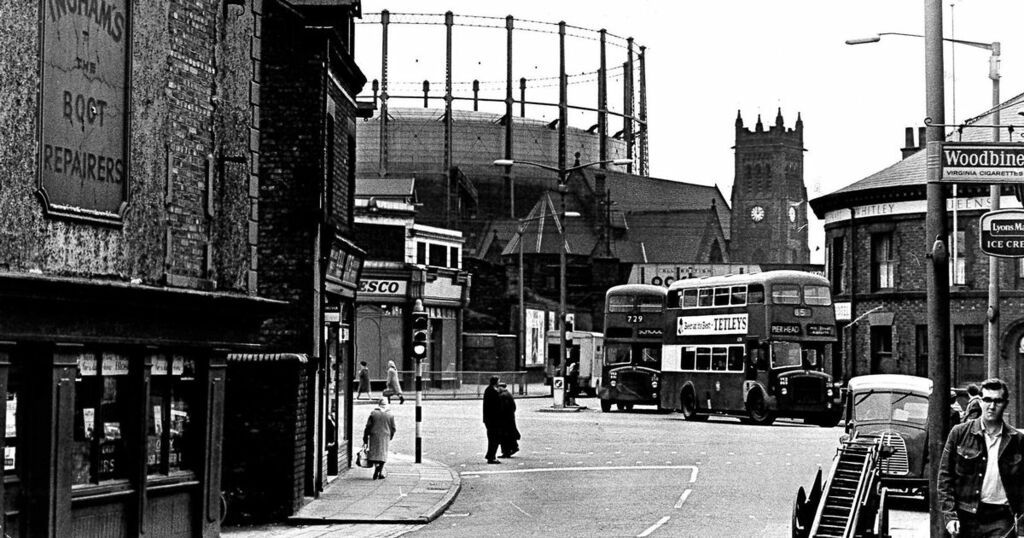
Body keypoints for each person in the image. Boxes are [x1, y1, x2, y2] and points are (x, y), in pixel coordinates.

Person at [938, 378, 1024, 537]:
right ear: (980, 401)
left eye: (998, 401)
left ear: (1005, 404)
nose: (992, 406)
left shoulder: (1017, 440)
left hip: (1001, 518)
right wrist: (950, 516)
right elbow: (945, 477)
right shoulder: (959, 433)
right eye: (987, 400)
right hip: (965, 515)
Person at [363, 397, 396, 480]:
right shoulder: (390, 415)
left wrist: (365, 437)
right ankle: (379, 472)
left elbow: (368, 426)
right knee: (383, 454)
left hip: (374, 435)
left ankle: (377, 469)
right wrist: (391, 436)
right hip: (385, 436)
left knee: (375, 453)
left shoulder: (373, 413)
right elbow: (393, 428)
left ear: (379, 404)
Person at [497, 383, 520, 458]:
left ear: (501, 387)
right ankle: (513, 447)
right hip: (510, 417)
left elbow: (502, 408)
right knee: (510, 433)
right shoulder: (508, 394)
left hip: (504, 418)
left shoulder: (503, 395)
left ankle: (506, 451)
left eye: (498, 387)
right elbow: (514, 407)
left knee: (504, 435)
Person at [482, 376, 502, 464]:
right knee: (494, 438)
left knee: (492, 438)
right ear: (496, 382)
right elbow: (497, 406)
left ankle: (490, 455)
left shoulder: (488, 390)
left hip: (489, 419)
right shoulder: (493, 391)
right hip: (494, 419)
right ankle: (491, 456)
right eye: (498, 381)